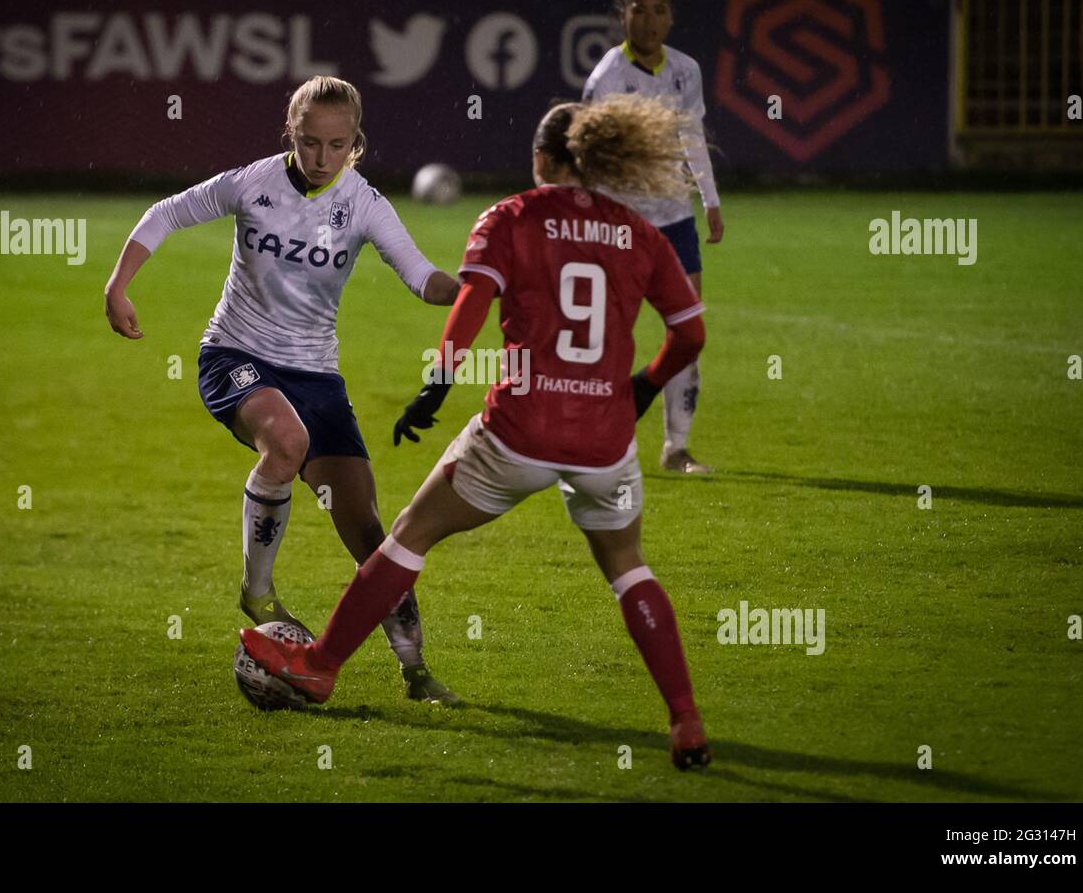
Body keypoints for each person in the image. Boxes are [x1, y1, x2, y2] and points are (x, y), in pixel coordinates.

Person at [241, 95, 712, 771]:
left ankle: (318, 665)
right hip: (605, 442)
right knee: (628, 566)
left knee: (409, 535)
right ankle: (687, 720)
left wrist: (437, 383)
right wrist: (641, 386)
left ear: (543, 160)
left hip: (518, 433)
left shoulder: (512, 217)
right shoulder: (639, 232)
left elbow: (471, 306)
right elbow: (690, 333)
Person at [104, 76, 463, 705]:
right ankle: (259, 590)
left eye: (337, 144)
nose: (321, 158)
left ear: (356, 142)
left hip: (317, 374)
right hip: (235, 355)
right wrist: (118, 285)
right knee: (287, 441)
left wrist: (475, 287)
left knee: (372, 537)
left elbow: (422, 278)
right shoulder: (254, 182)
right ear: (289, 133)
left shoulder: (367, 205)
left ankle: (416, 673)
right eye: (308, 142)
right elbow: (166, 213)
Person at [583, 0, 723, 474]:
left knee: (687, 329)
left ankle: (676, 447)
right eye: (638, 9)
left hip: (675, 221)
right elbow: (589, 154)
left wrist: (709, 199)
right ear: (623, 15)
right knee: (611, 334)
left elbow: (692, 137)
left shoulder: (686, 70)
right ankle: (603, 441)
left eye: (658, 9)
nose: (648, 19)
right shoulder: (606, 77)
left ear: (671, 17)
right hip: (620, 223)